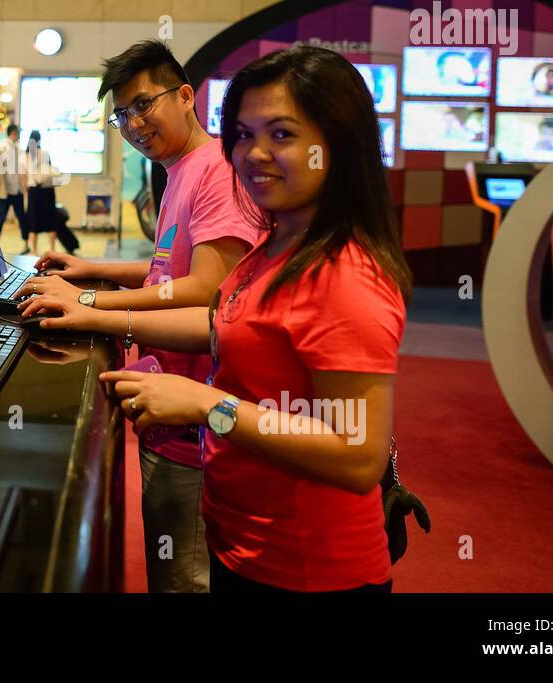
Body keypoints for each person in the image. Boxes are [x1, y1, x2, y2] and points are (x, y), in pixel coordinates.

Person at [22, 45, 410, 593]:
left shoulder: (344, 274)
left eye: (282, 134)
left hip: (304, 569)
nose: (252, 154)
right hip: (243, 543)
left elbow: (357, 454)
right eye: (245, 134)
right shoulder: (278, 244)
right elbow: (215, 322)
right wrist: (93, 312)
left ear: (337, 143)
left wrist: (208, 404)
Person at [18, 39, 257, 592]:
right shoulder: (183, 169)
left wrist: (91, 304)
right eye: (121, 114)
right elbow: (168, 270)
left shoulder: (215, 172)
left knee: (184, 578)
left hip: (197, 428)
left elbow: (204, 292)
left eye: (144, 104)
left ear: (186, 97)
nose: (132, 122)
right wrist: (90, 268)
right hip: (169, 413)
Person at [0, 123, 29, 254]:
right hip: (5, 191)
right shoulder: (1, 147)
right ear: (12, 133)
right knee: (1, 218)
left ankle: (26, 243)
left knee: (22, 218)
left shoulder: (19, 148)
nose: (18, 135)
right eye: (17, 132)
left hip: (17, 190)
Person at [23, 130, 60, 255]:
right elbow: (50, 170)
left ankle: (33, 251)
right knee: (50, 219)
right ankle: (52, 248)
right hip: (47, 190)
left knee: (33, 221)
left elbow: (23, 174)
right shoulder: (45, 153)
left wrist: (25, 188)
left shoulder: (26, 155)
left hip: (34, 192)